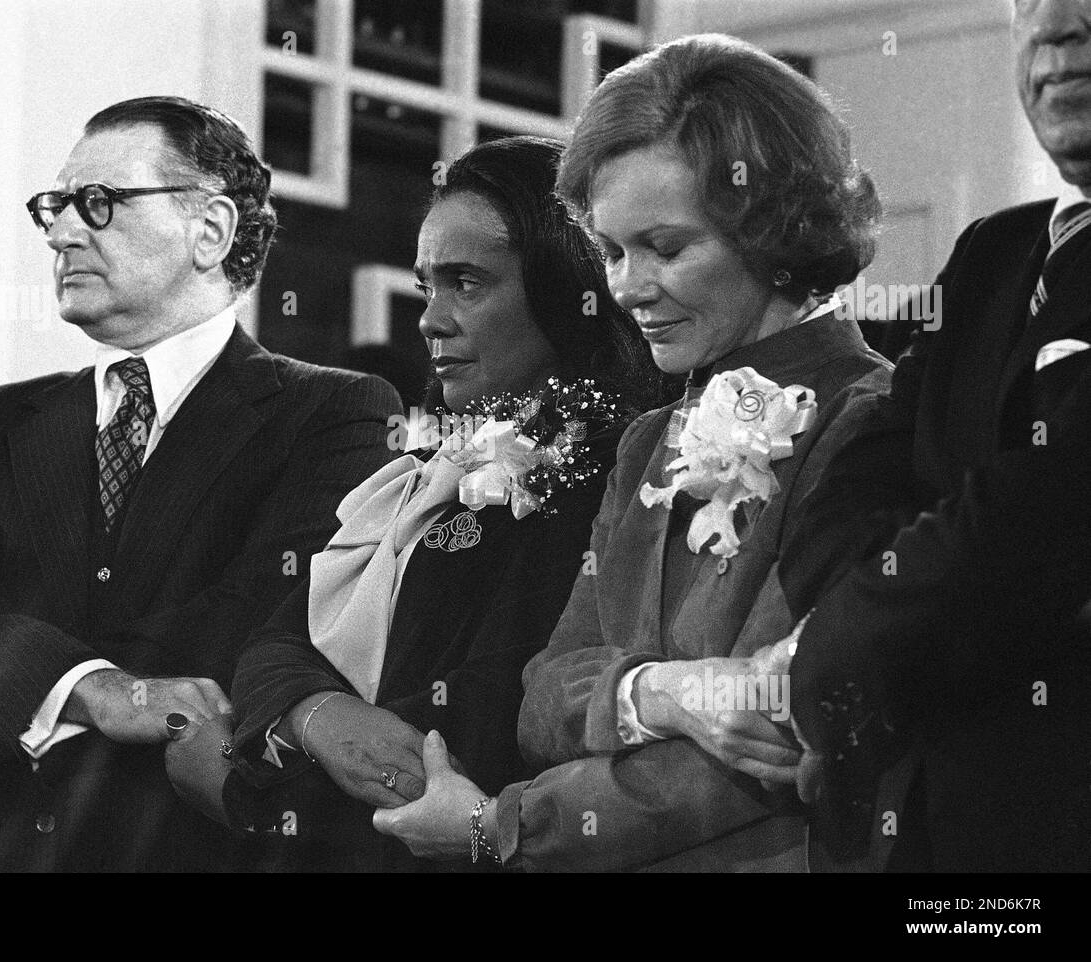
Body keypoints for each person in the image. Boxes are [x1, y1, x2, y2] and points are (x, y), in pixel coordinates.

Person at [373, 34, 893, 871]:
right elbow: (541, 699)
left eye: (667, 247)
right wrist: (665, 692)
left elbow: (776, 748)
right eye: (613, 251)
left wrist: (501, 826)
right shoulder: (651, 438)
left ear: (777, 230)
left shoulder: (875, 421)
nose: (625, 287)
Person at [0, 96, 401, 872]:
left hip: (171, 846)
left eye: (98, 203)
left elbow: (257, 620)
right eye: (53, 207)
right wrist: (101, 694)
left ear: (211, 231)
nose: (60, 231)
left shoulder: (333, 412)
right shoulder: (0, 421)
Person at [165, 135, 654, 871]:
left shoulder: (602, 478)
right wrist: (319, 715)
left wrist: (241, 782)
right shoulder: (425, 471)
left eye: (468, 283)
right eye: (428, 285)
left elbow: (477, 740)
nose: (430, 319)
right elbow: (274, 645)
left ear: (565, 288)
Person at [779, 0, 1091, 872]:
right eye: (1031, 0)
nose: (1056, 28)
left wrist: (832, 661)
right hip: (947, 835)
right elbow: (846, 491)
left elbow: (1036, 523)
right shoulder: (994, 252)